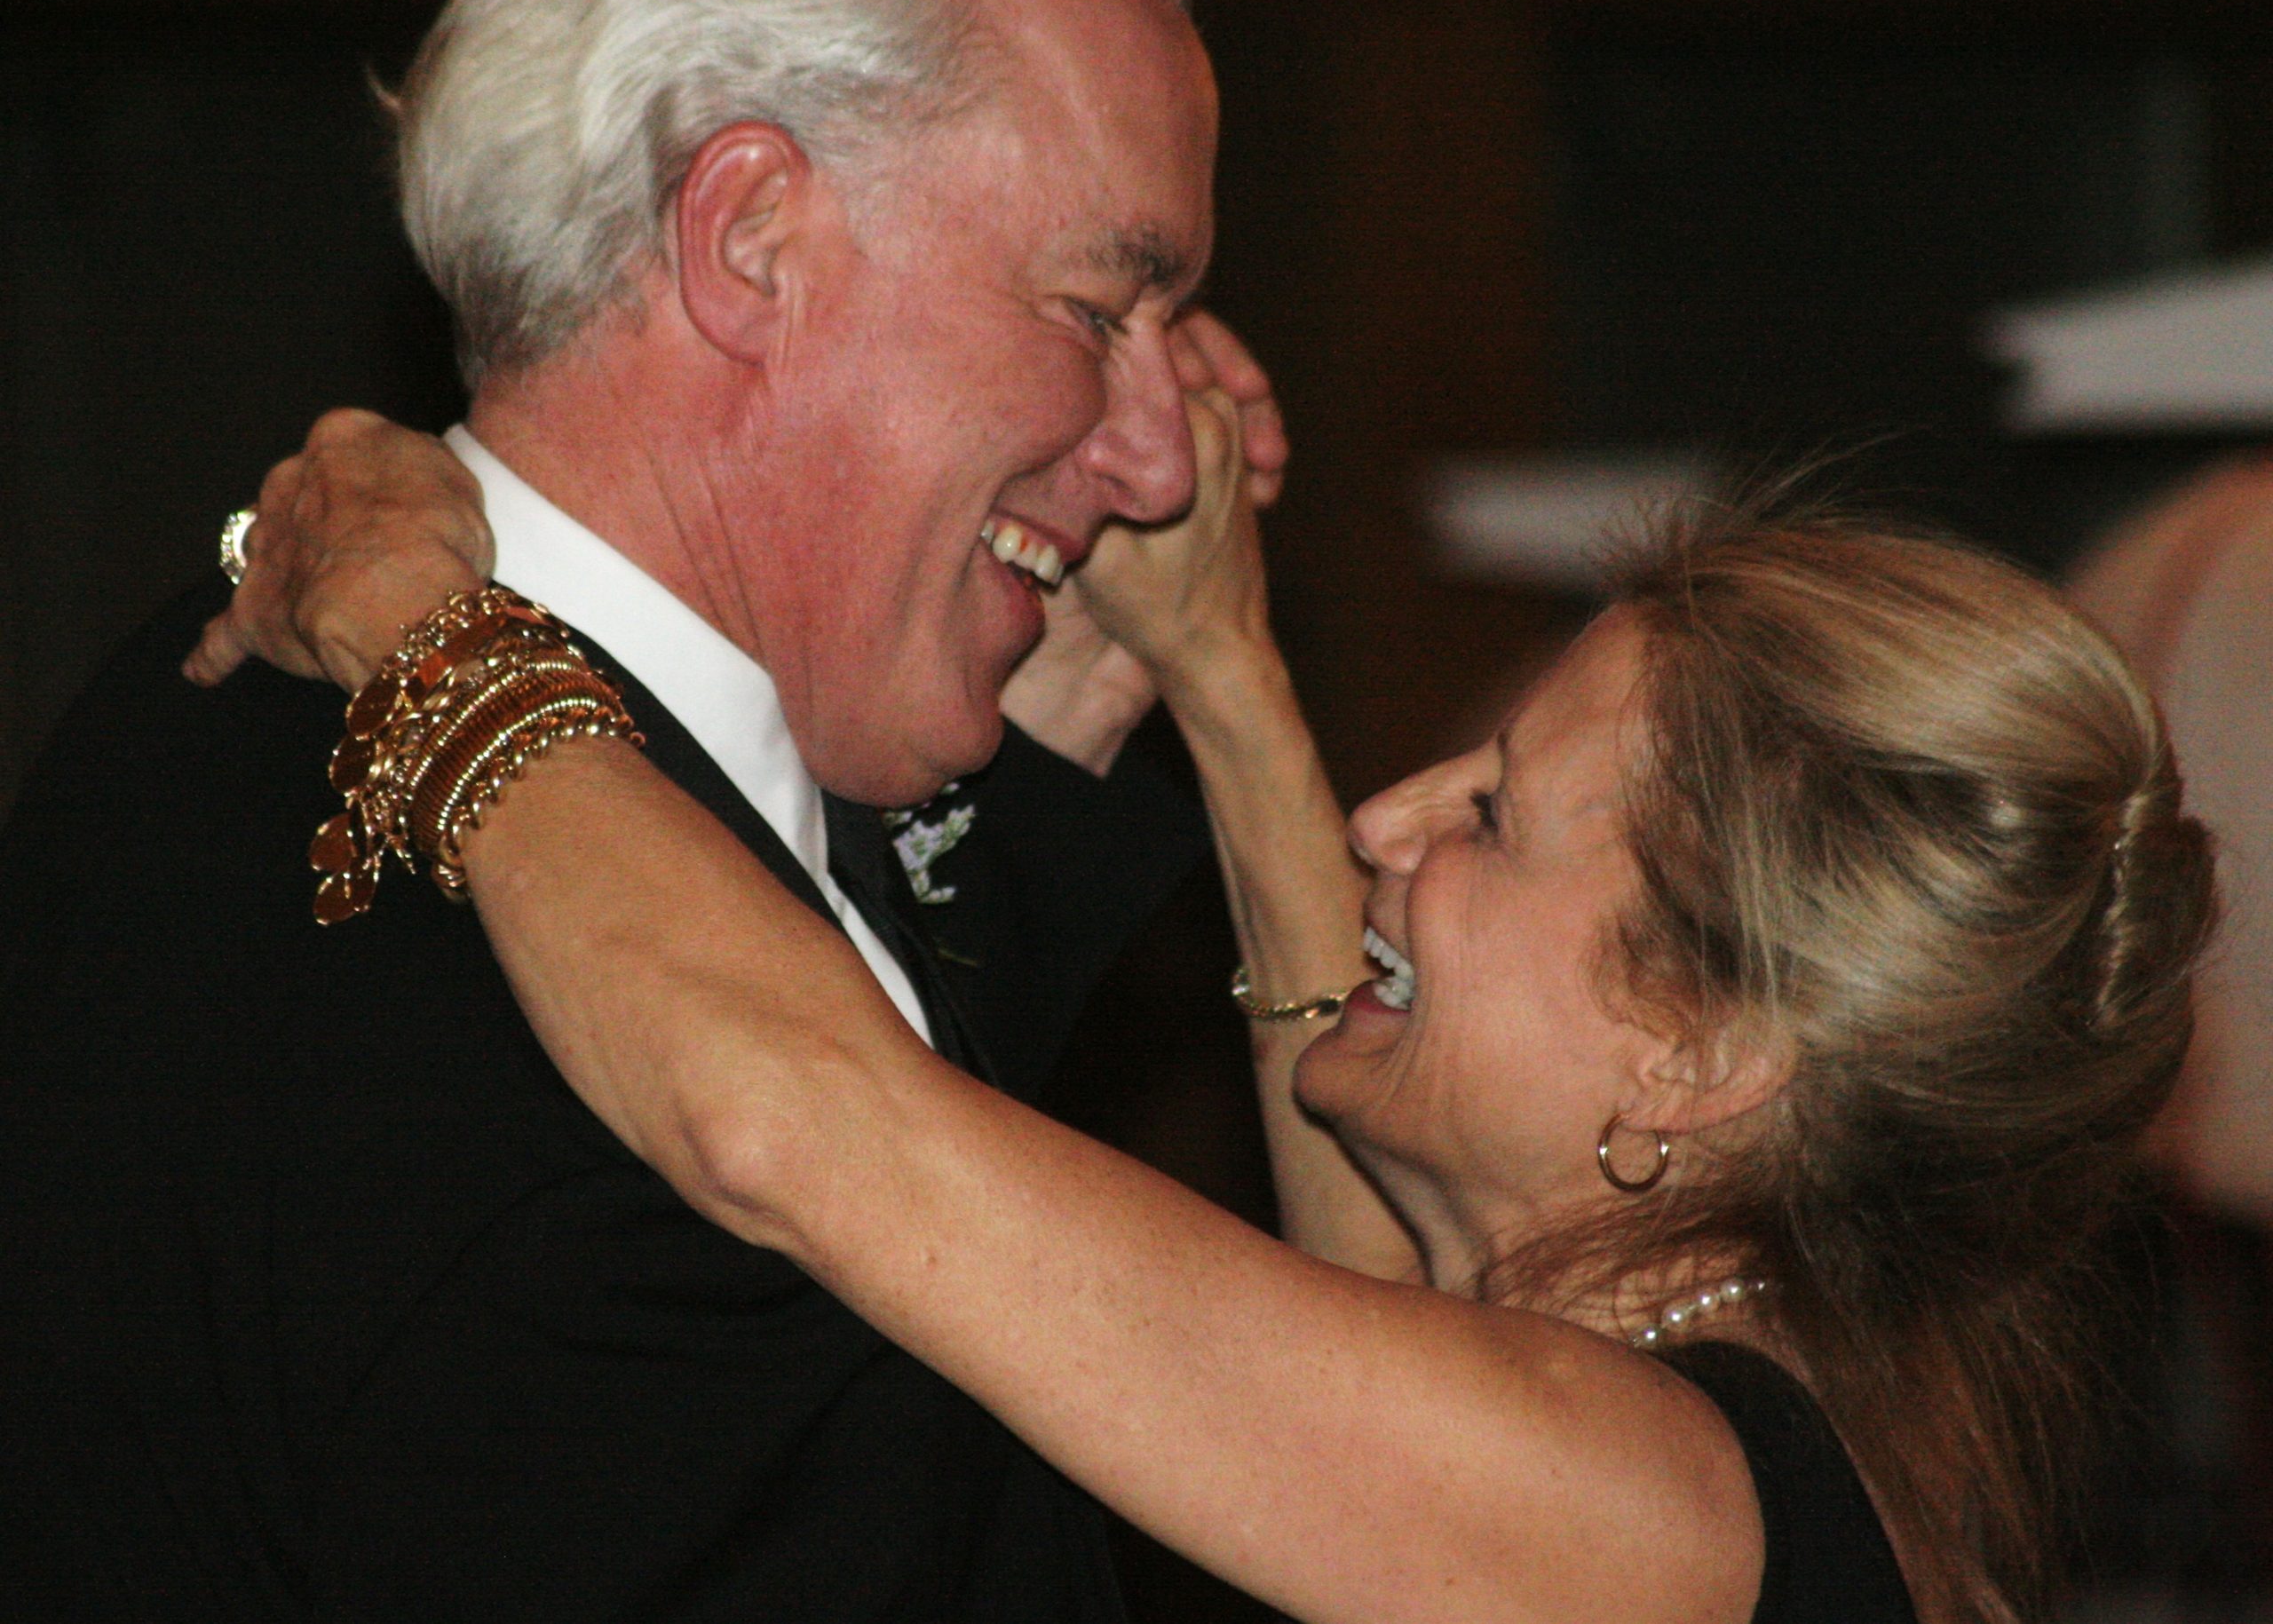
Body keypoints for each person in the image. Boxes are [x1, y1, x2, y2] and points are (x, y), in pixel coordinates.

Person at [198, 405, 2217, 1624]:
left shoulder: (1626, 1498)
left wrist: (424, 633)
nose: (1386, 820)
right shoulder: (1692, 1439)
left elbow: (791, 1121)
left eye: (1491, 815)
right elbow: (1372, 1320)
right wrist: (1218, 672)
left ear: (1695, 1050)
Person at [0, 0, 1288, 1617]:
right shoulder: (593, 1063)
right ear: (751, 236)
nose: (1160, 458)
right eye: (1093, 307)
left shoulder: (203, 687)